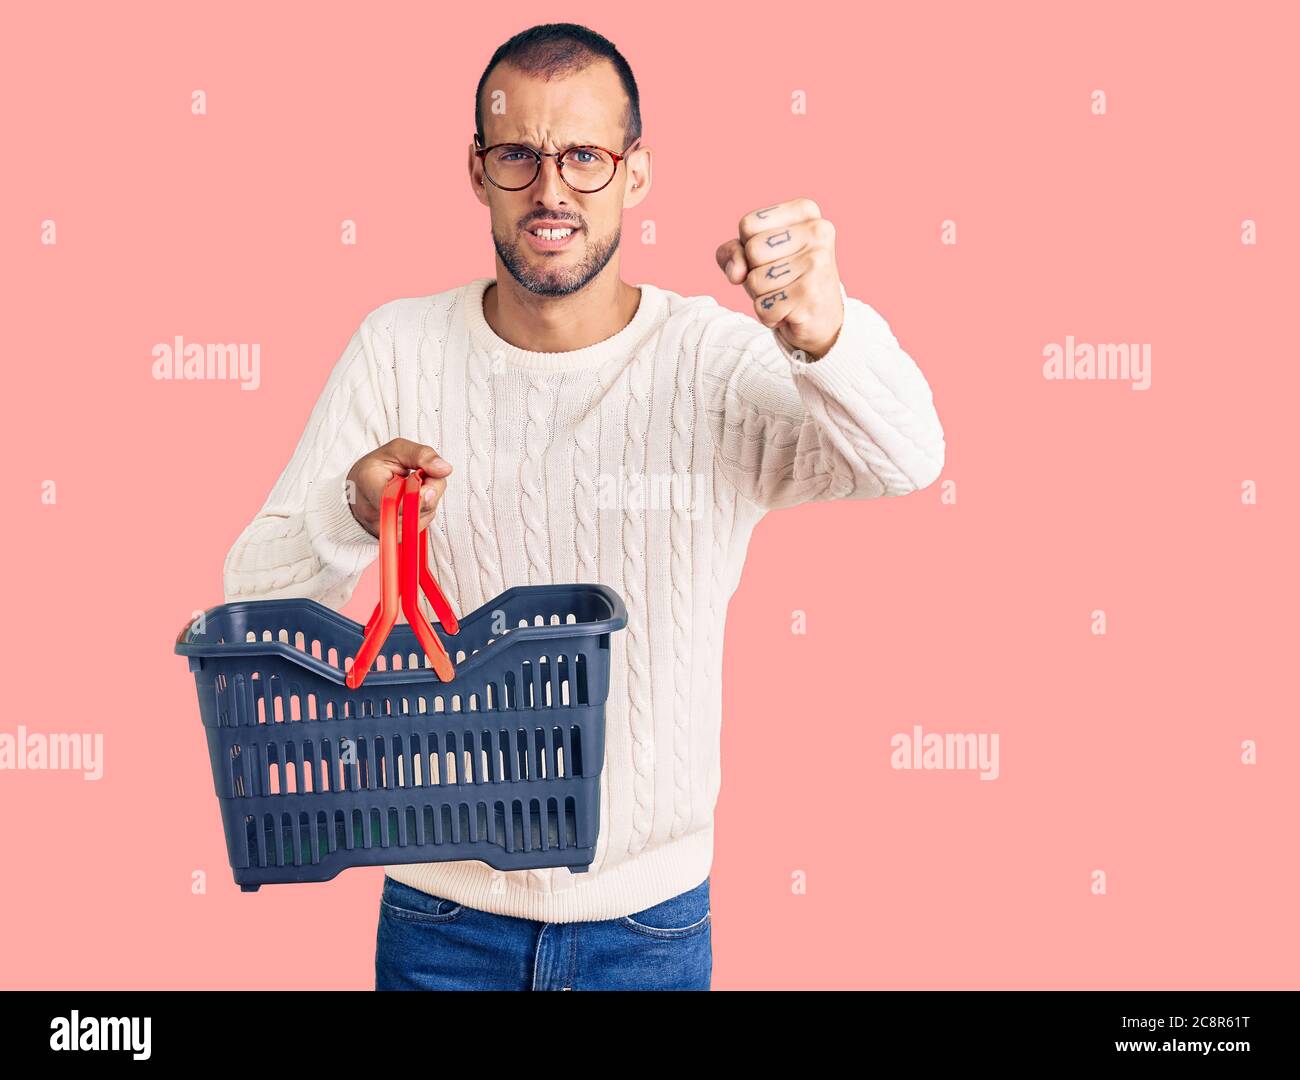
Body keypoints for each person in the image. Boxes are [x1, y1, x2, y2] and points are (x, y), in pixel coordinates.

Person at [222, 21, 946, 991]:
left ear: (635, 173)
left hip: (649, 929)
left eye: (584, 157)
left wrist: (828, 333)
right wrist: (352, 513)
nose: (551, 189)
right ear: (476, 171)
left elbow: (907, 459)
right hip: (442, 922)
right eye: (518, 154)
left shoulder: (711, 363)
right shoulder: (397, 349)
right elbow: (251, 595)